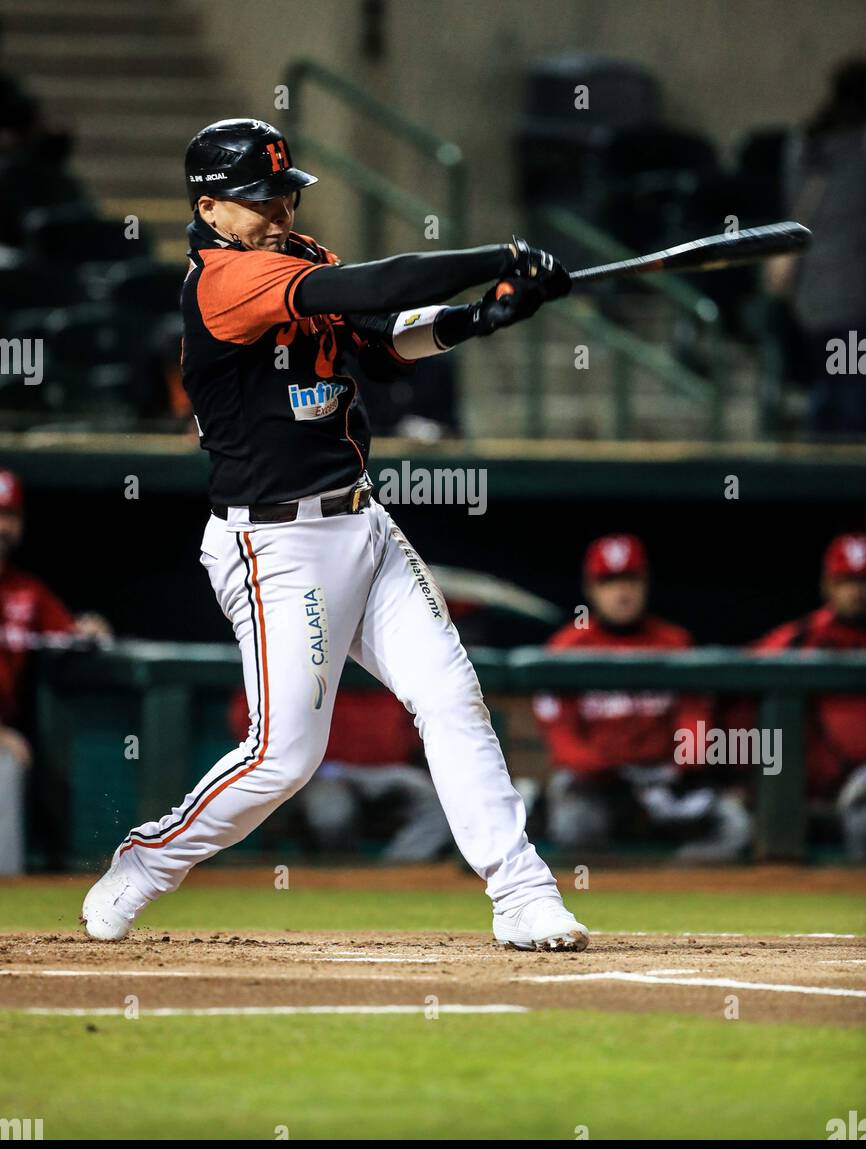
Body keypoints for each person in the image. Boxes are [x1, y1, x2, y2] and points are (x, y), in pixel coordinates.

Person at [82, 117, 588, 951]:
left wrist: (484, 317)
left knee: (452, 697)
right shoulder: (221, 282)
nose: (277, 211)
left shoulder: (300, 255)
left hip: (361, 522)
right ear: (210, 208)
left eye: (283, 193)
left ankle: (522, 893)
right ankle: (146, 862)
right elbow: (375, 287)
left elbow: (384, 345)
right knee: (284, 758)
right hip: (275, 548)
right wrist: (497, 259)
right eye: (257, 199)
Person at [534, 533, 751, 861]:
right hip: (599, 783)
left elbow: (695, 723)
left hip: (664, 781)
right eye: (610, 581)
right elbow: (565, 741)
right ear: (591, 588)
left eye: (630, 580)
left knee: (735, 827)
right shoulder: (566, 648)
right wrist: (615, 774)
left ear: (645, 583)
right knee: (574, 822)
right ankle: (604, 890)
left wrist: (677, 769)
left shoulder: (675, 642)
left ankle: (675, 884)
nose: (622, 592)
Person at [0, 469, 112, 872]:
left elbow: (69, 632)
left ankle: (8, 912)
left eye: (8, 515)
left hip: (6, 737)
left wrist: (88, 628)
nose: (1, 526)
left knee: (6, 761)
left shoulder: (26, 592)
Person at [229, 684, 452, 861]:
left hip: (389, 770)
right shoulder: (306, 655)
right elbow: (248, 719)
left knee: (438, 805)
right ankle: (338, 879)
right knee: (332, 813)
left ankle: (389, 877)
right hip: (324, 773)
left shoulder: (387, 657)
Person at [748, 533, 866, 859]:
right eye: (846, 581)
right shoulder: (801, 638)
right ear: (827, 585)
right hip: (819, 787)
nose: (857, 591)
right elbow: (738, 679)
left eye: (863, 580)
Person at [766, 57, 866, 437]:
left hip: (812, 298)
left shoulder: (803, 143)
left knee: (830, 387)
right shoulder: (856, 149)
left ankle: (818, 464)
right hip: (853, 295)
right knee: (851, 398)